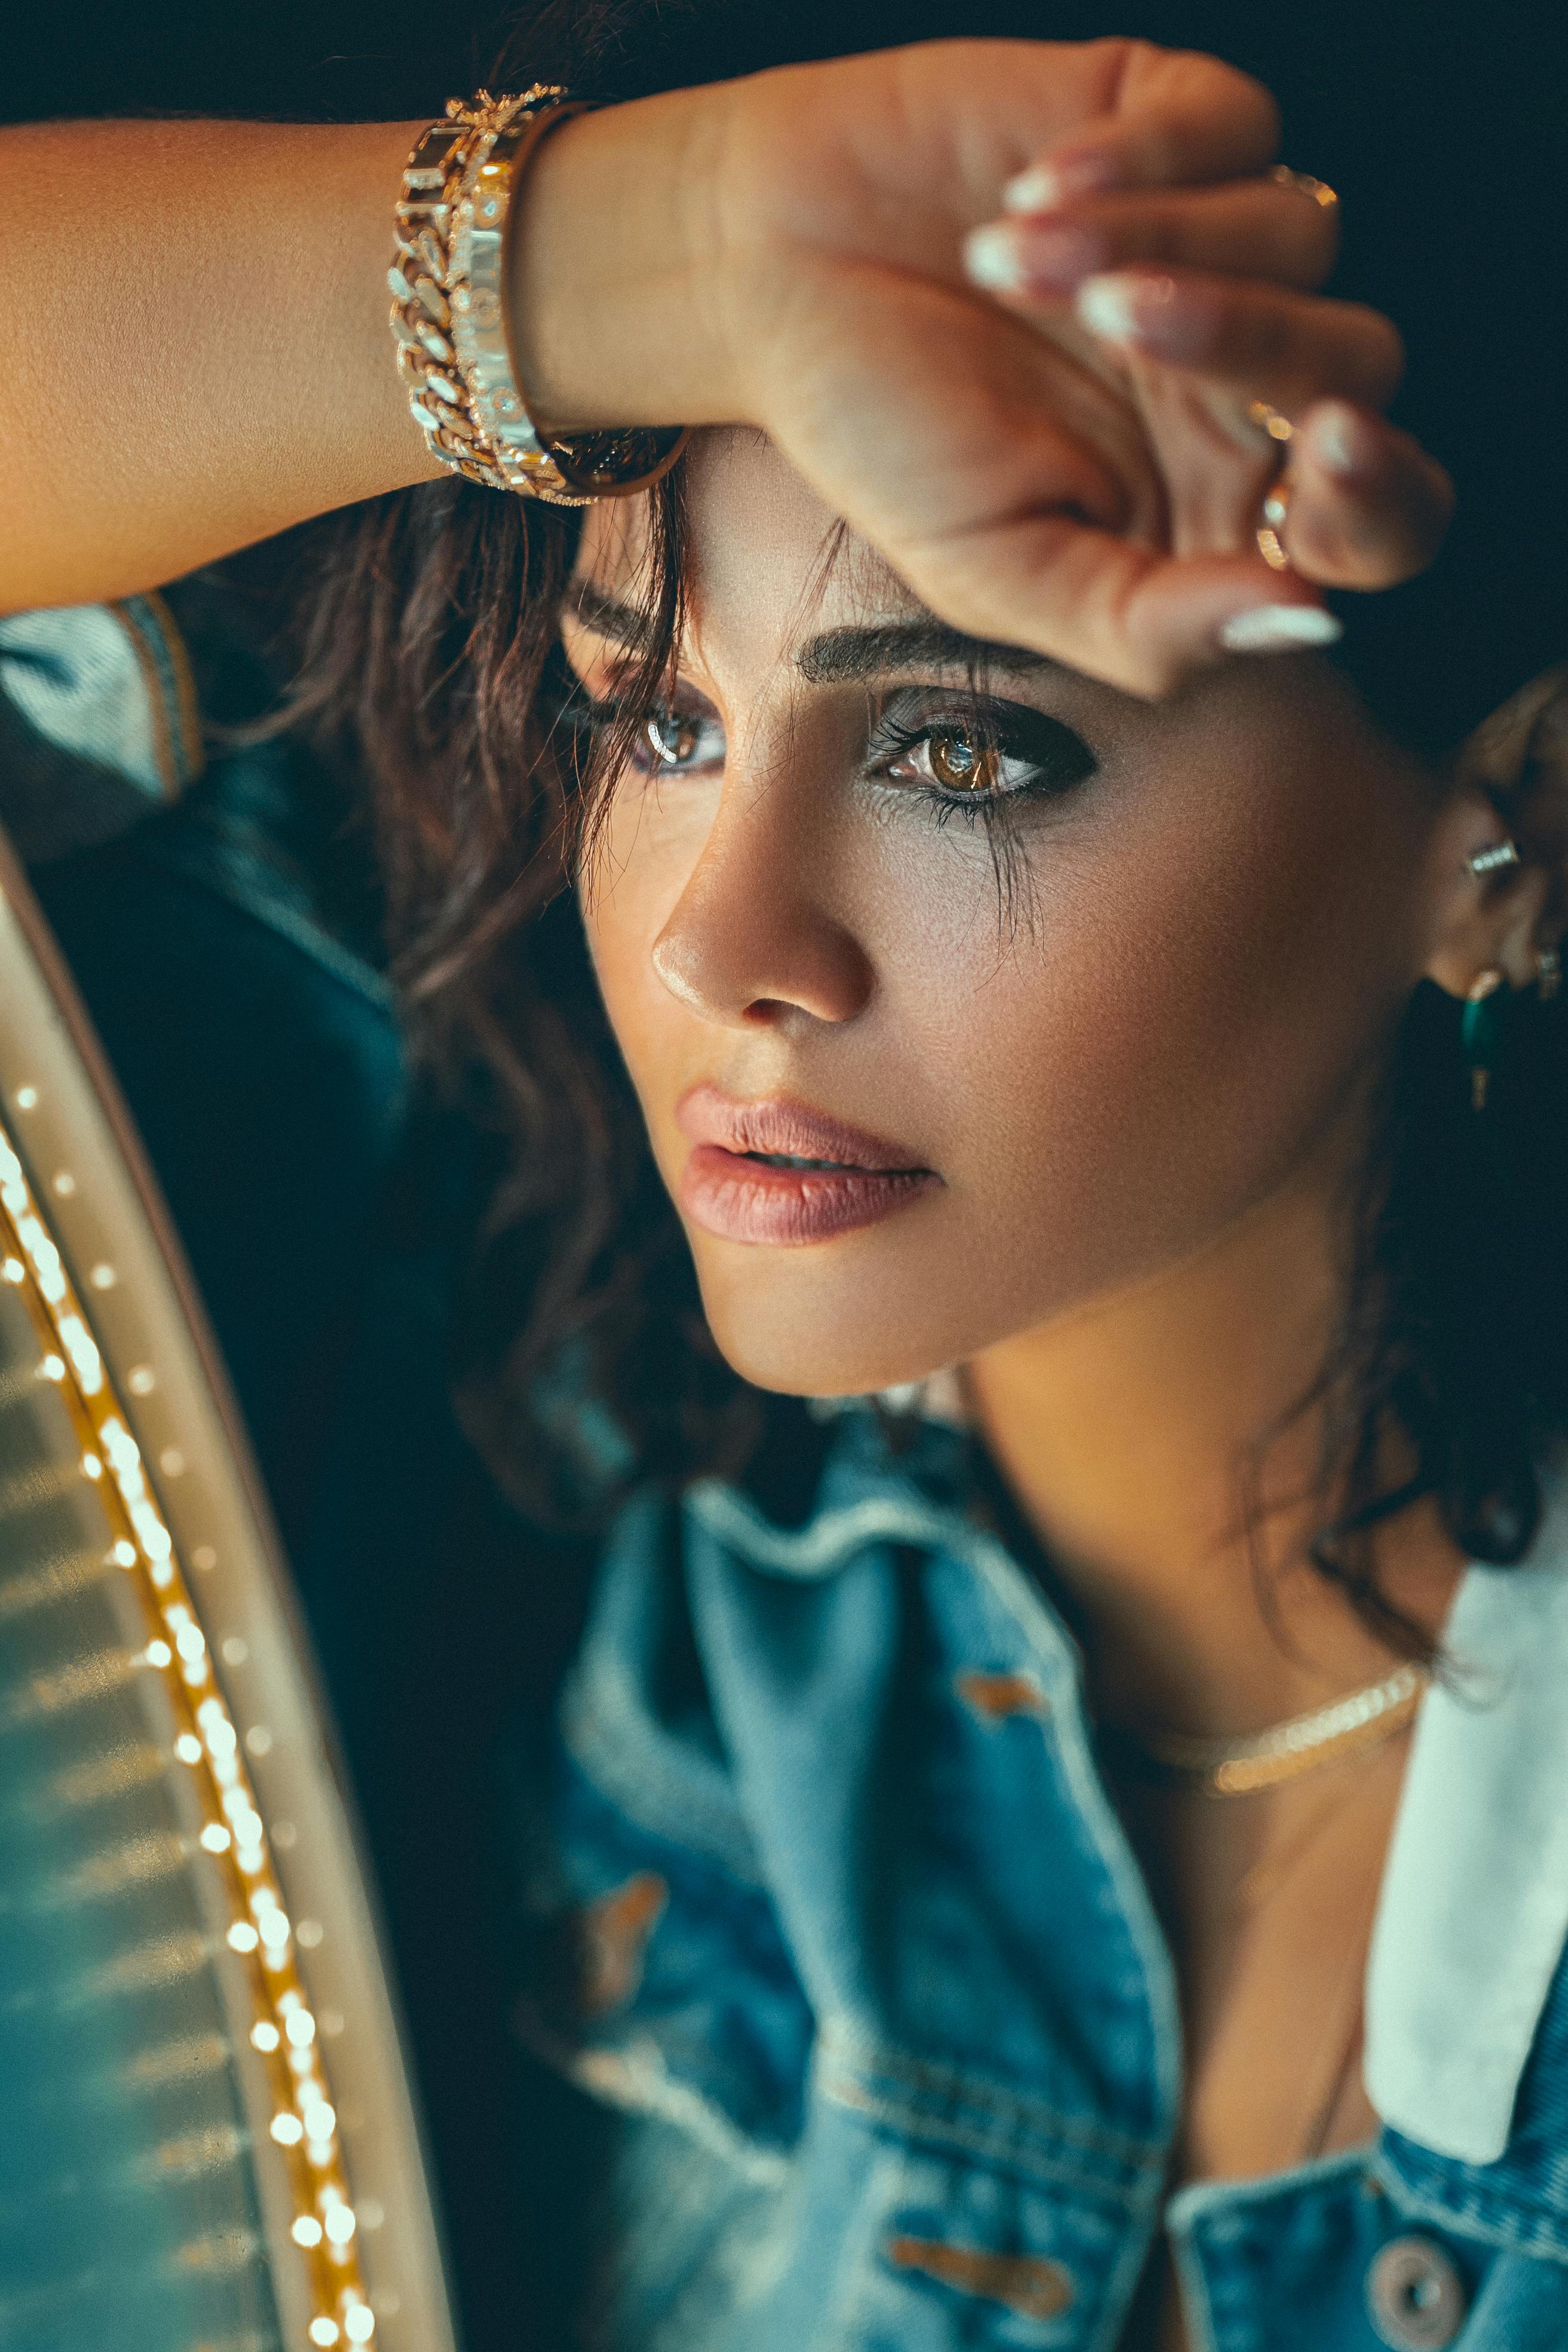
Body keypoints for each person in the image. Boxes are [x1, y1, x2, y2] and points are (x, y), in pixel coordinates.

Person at [4, 2, 1566, 2347]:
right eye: (653, 715)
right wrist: (647, 247)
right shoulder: (535, 1450)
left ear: (1504, 843)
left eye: (958, 747)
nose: (713, 936)